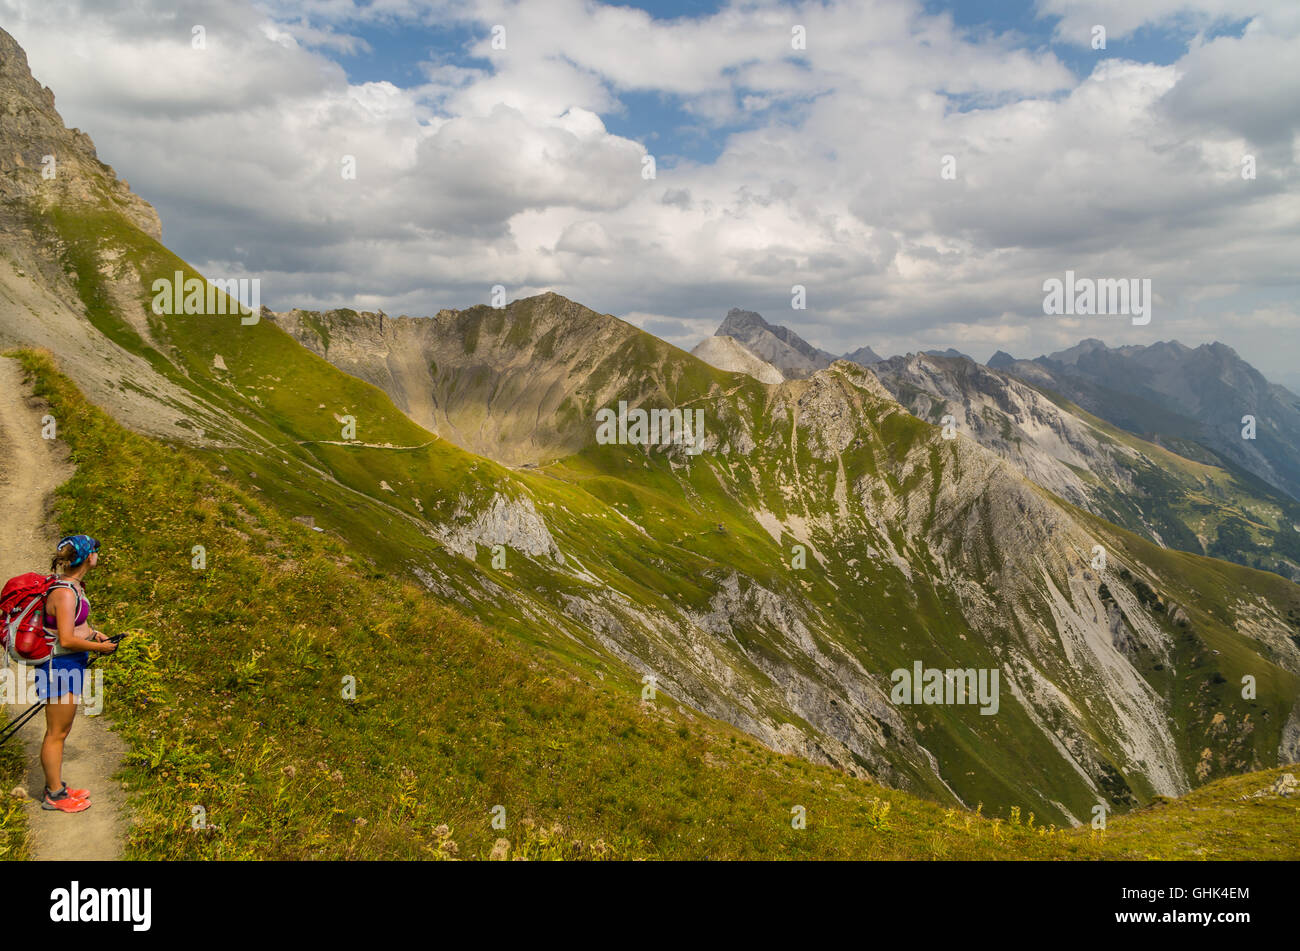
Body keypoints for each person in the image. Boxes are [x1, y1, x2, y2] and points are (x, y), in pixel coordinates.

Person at [37, 534, 115, 813]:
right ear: (87, 557)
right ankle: (54, 796)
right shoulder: (65, 593)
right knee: (57, 732)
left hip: (67, 664)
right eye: (95, 550)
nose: (98, 555)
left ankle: (56, 786)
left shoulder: (73, 587)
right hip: (59, 666)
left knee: (62, 729)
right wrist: (99, 648)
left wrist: (94, 634)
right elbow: (67, 639)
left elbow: (72, 628)